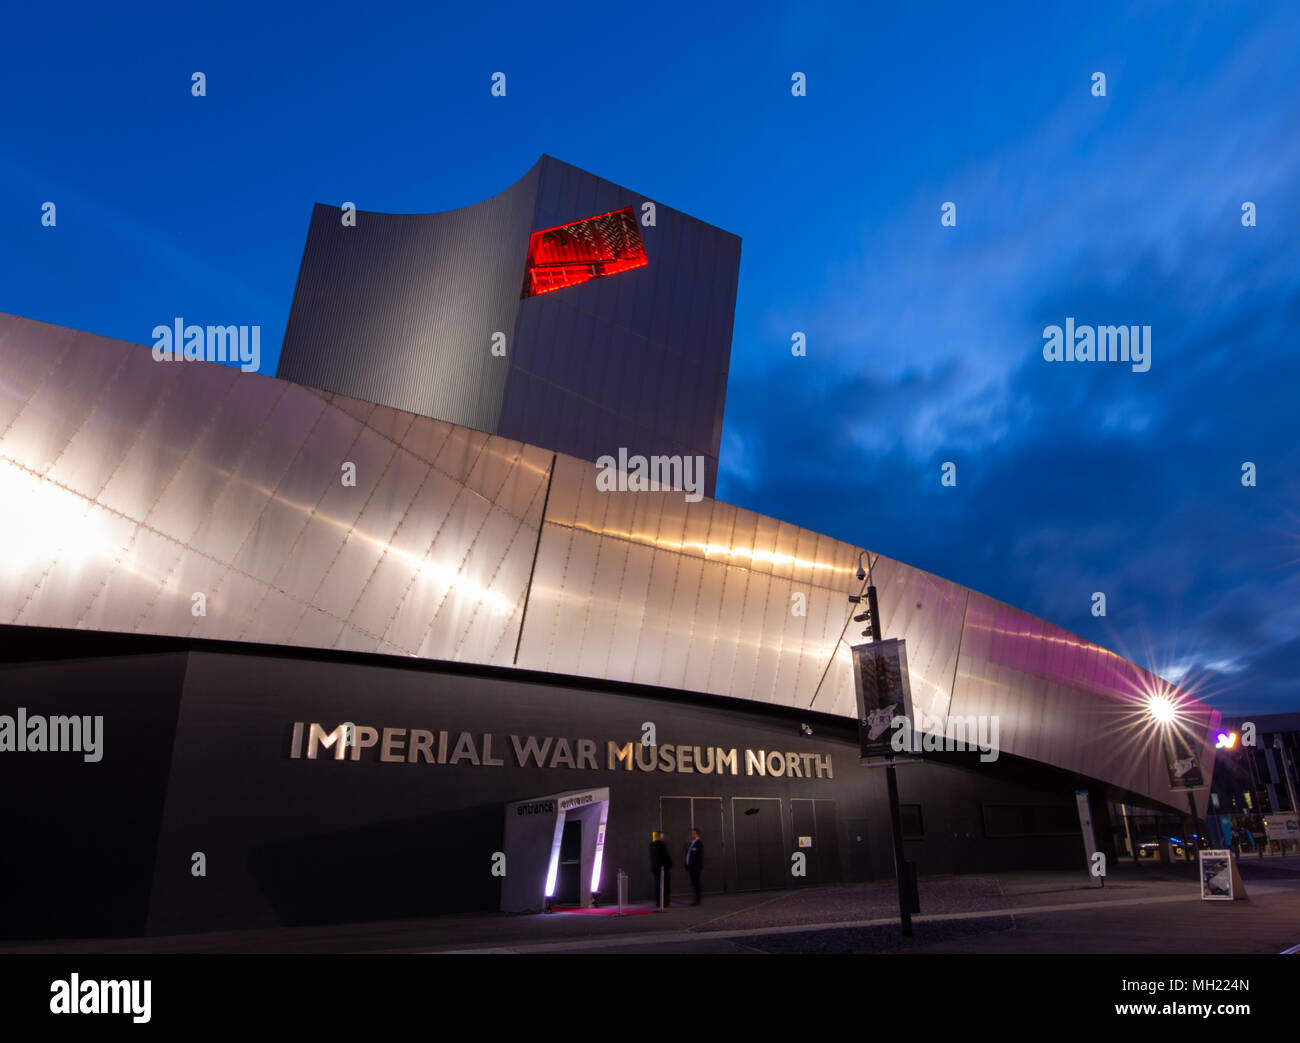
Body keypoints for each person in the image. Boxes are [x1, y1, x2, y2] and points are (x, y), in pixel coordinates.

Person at [649, 832, 672, 907]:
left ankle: (658, 903)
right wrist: (670, 864)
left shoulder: (651, 845)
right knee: (664, 886)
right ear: (659, 836)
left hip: (655, 868)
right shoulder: (661, 844)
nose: (663, 837)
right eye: (662, 836)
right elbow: (665, 856)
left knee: (658, 886)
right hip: (663, 869)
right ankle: (664, 903)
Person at [685, 828, 704, 905]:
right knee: (693, 884)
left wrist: (694, 865)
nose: (692, 835)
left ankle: (697, 900)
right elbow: (688, 854)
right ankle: (695, 900)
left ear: (697, 834)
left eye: (693, 833)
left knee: (696, 884)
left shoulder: (699, 843)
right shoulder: (691, 843)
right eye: (691, 833)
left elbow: (699, 856)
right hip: (691, 867)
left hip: (696, 867)